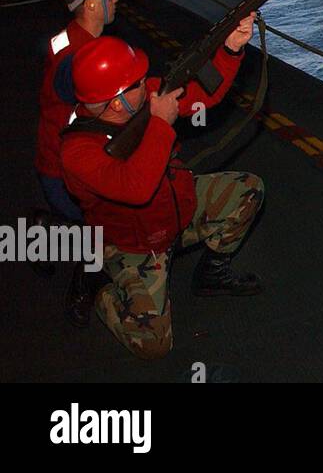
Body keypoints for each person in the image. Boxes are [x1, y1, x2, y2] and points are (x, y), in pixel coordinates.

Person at [60, 20, 264, 360]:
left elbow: (203, 95)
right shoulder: (77, 152)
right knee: (153, 345)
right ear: (114, 103)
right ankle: (97, 288)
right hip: (134, 244)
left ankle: (211, 273)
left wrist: (230, 49)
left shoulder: (138, 101)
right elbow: (136, 188)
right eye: (138, 82)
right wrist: (159, 123)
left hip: (177, 209)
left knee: (248, 190)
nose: (148, 84)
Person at [33, 0, 119, 324]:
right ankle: (82, 291)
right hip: (66, 172)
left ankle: (45, 229)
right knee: (109, 225)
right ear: (92, 2)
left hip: (53, 160)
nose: (116, 0)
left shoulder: (68, 41)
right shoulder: (80, 59)